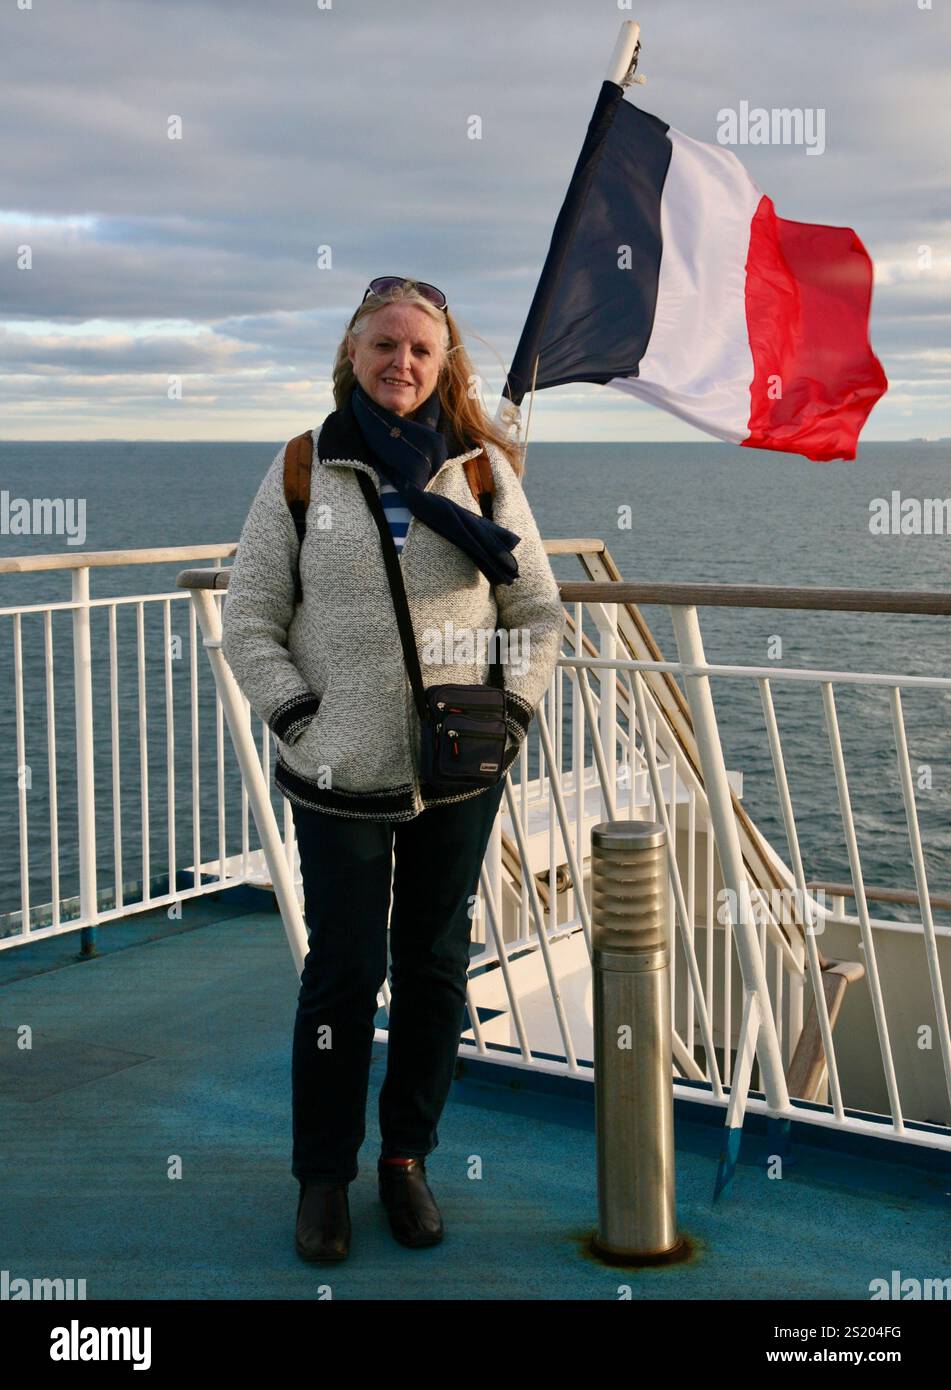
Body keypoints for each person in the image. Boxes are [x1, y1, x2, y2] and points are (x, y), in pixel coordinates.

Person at [221, 276, 565, 1262]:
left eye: (421, 348)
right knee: (341, 977)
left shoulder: (484, 473)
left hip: (459, 771)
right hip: (337, 773)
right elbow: (250, 617)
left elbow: (536, 613)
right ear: (353, 351)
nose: (402, 363)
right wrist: (298, 714)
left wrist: (510, 717)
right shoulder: (304, 466)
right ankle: (322, 1179)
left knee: (432, 972)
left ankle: (406, 1162)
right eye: (385, 345)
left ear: (444, 360)